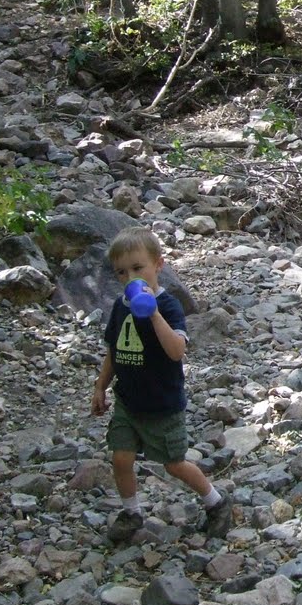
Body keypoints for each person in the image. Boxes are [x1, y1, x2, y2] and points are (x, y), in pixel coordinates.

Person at [91, 227, 232, 542]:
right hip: (128, 402)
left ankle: (216, 502)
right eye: (122, 273)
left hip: (162, 405)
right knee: (121, 457)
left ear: (158, 265)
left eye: (138, 268)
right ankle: (132, 512)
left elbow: (177, 351)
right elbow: (114, 350)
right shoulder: (119, 307)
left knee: (175, 464)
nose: (130, 278)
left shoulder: (168, 306)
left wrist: (153, 314)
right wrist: (100, 385)